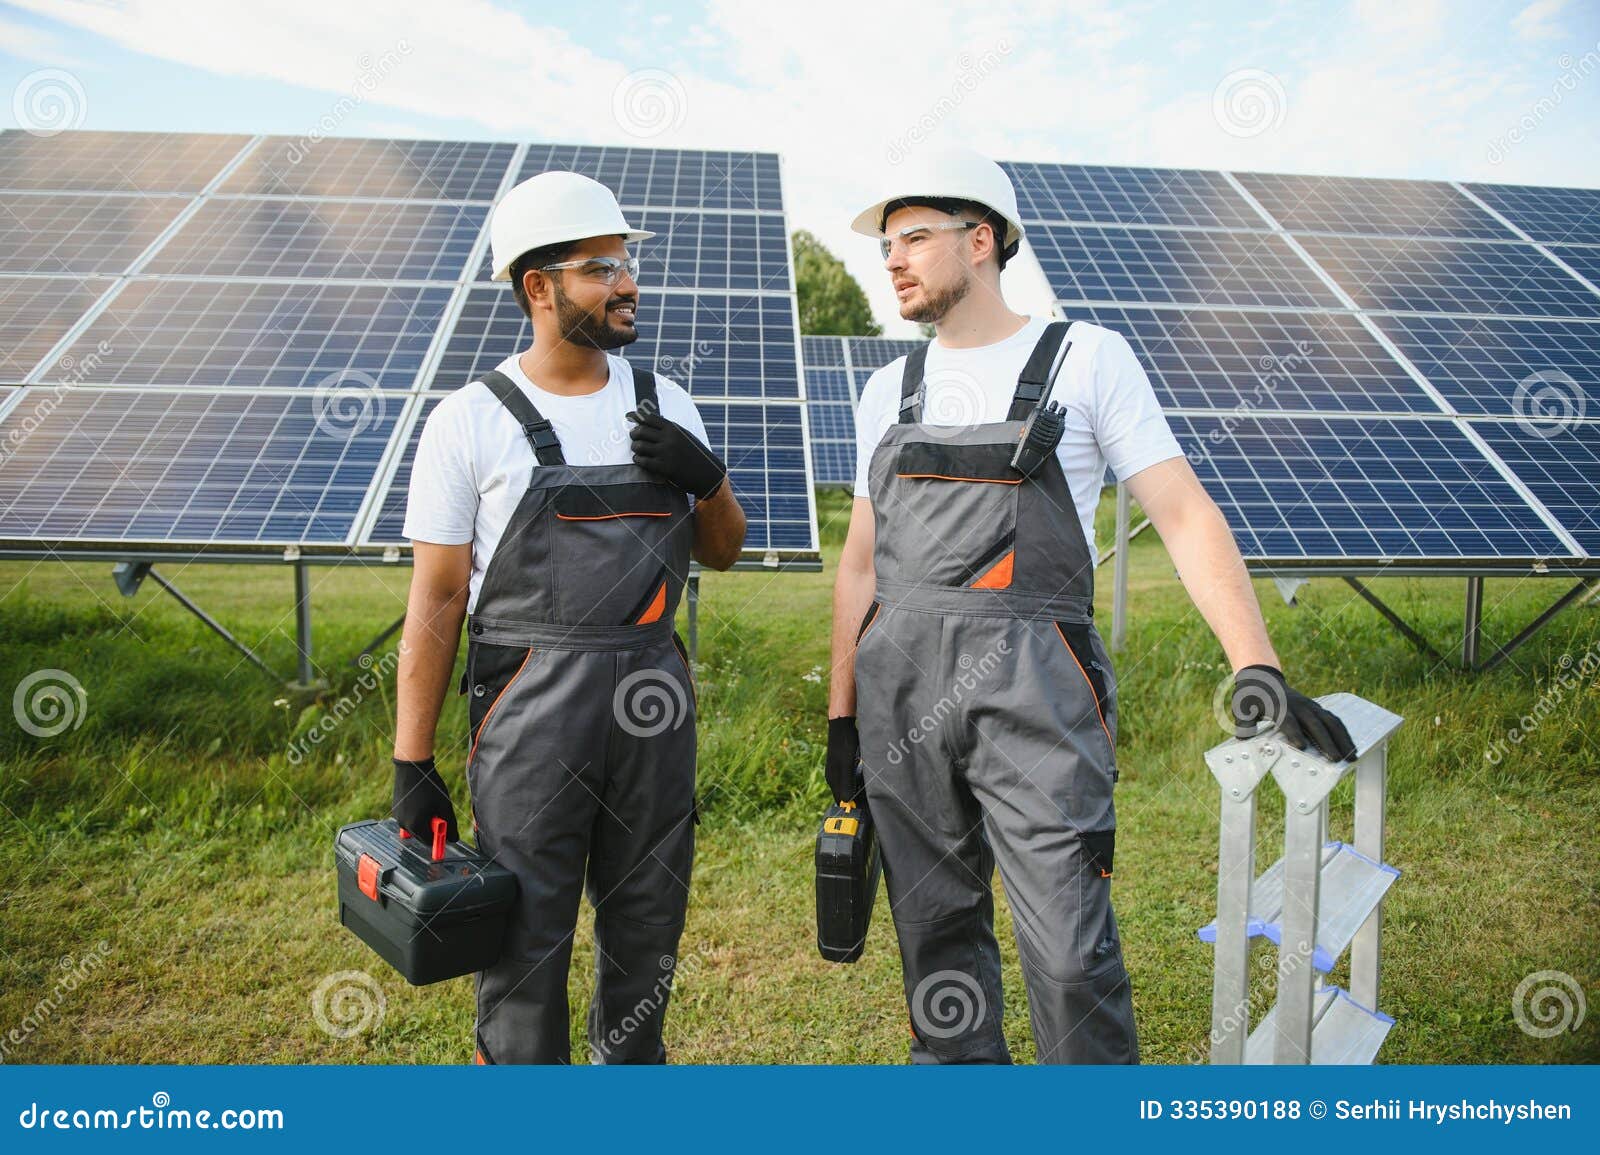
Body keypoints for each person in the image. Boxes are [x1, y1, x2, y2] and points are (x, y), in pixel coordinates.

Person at [826, 145, 1353, 1065]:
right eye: (886, 247)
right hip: (900, 700)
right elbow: (860, 565)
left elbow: (1184, 515)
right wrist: (842, 715)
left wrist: (1254, 661)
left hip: (1039, 693)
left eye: (912, 238)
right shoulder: (887, 390)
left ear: (980, 239)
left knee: (1070, 953)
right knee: (936, 943)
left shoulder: (1085, 358)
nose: (894, 260)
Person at [393, 170, 746, 1064]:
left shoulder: (668, 403)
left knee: (648, 927)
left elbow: (725, 550)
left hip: (653, 706)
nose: (627, 283)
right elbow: (436, 601)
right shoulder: (469, 421)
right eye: (600, 268)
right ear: (538, 288)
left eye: (626, 264)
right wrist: (412, 758)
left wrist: (705, 477)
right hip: (528, 711)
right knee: (523, 944)